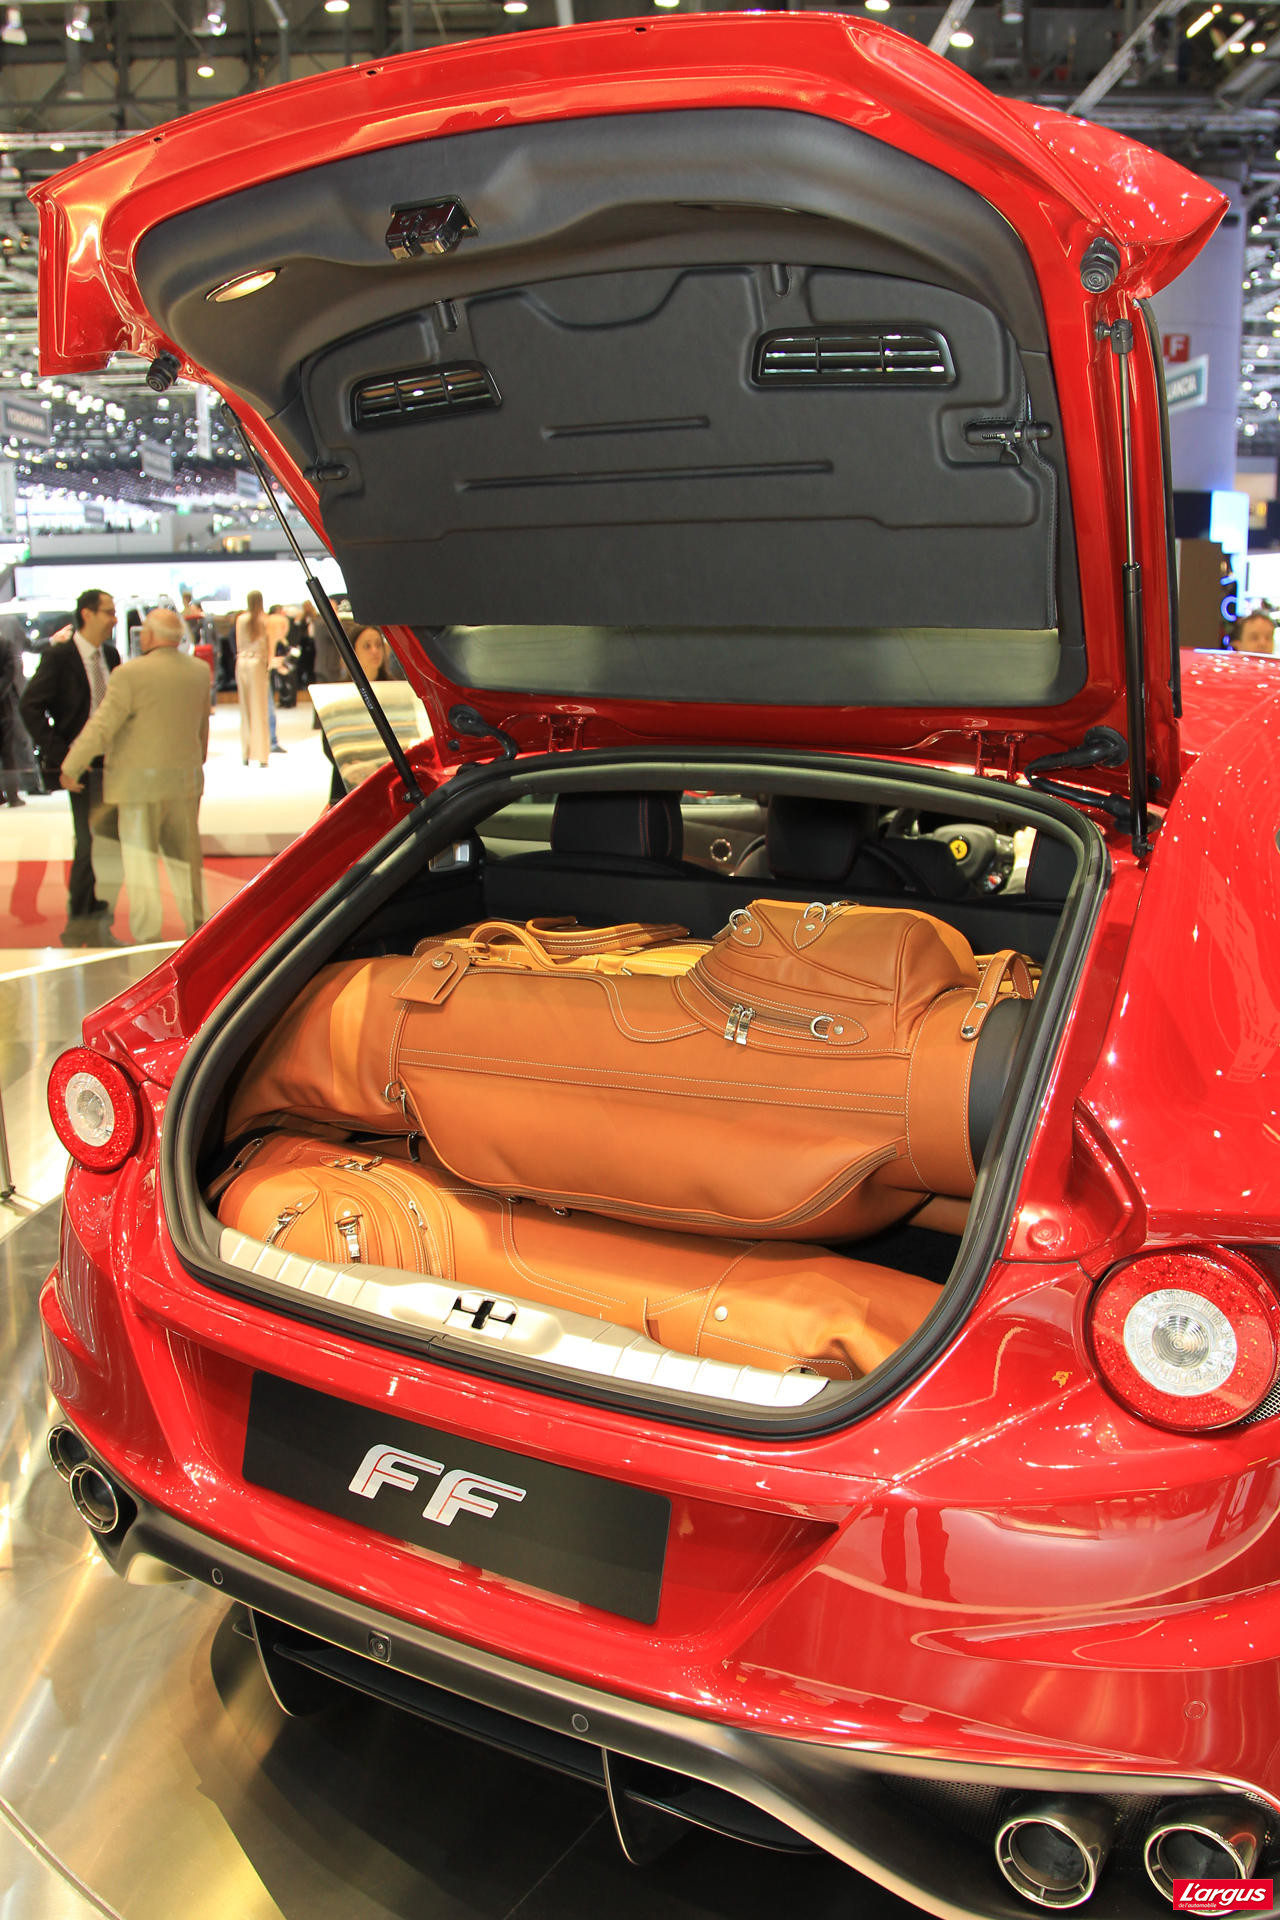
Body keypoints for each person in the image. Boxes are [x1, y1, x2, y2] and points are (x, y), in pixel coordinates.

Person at [59, 606, 210, 946]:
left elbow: (103, 725)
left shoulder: (130, 674)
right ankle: (197, 932)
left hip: (137, 786)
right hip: (184, 782)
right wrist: (196, 763)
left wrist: (72, 764)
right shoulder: (198, 671)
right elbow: (203, 728)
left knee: (142, 867)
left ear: (153, 636)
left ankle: (148, 938)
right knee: (186, 863)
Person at [18, 586, 123, 946]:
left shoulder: (110, 654)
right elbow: (30, 705)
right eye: (108, 611)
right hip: (79, 764)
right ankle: (80, 923)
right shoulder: (60, 657)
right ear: (87, 614)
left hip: (115, 764)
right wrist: (60, 754)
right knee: (89, 843)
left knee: (107, 843)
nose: (114, 619)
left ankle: (95, 917)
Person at [0, 611, 39, 808]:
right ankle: (11, 794)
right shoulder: (6, 639)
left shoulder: (9, 626)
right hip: (6, 700)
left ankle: (19, 790)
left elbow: (29, 647)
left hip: (8, 701)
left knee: (15, 747)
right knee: (9, 750)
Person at [235, 591, 272, 767]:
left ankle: (246, 752)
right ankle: (262, 755)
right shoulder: (265, 620)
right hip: (257, 664)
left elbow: (238, 644)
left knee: (245, 709)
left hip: (242, 663)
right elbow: (268, 648)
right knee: (260, 709)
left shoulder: (241, 619)